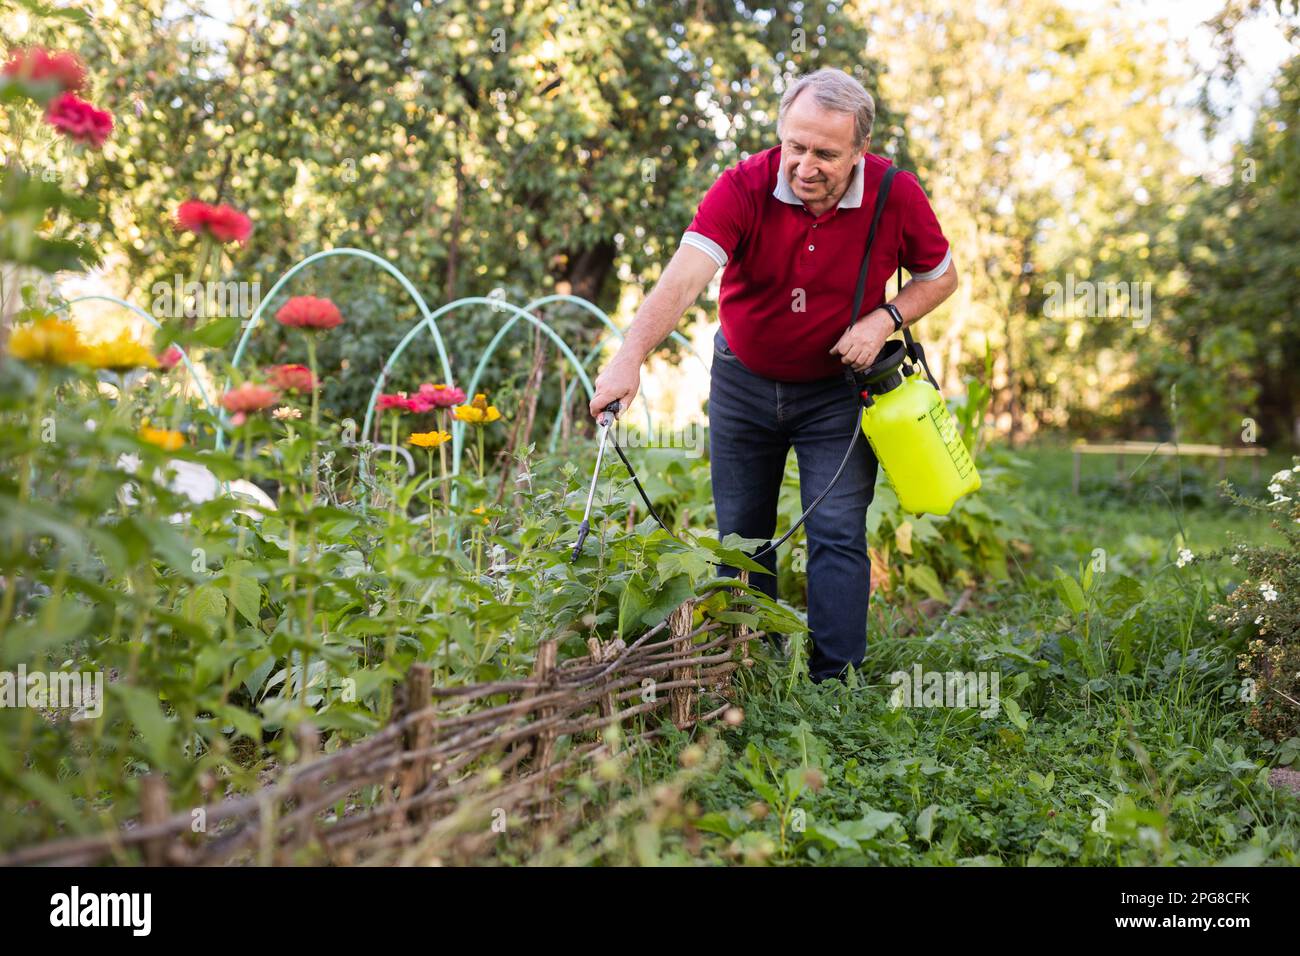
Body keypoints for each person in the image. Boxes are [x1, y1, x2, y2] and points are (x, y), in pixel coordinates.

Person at [589, 68, 958, 682]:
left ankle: (834, 684)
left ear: (860, 150)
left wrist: (882, 320)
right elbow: (683, 278)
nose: (805, 166)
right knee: (741, 536)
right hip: (743, 382)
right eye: (795, 146)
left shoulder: (896, 194)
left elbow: (941, 277)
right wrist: (628, 360)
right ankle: (747, 667)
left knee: (837, 529)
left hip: (838, 391)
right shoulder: (744, 185)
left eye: (825, 153)